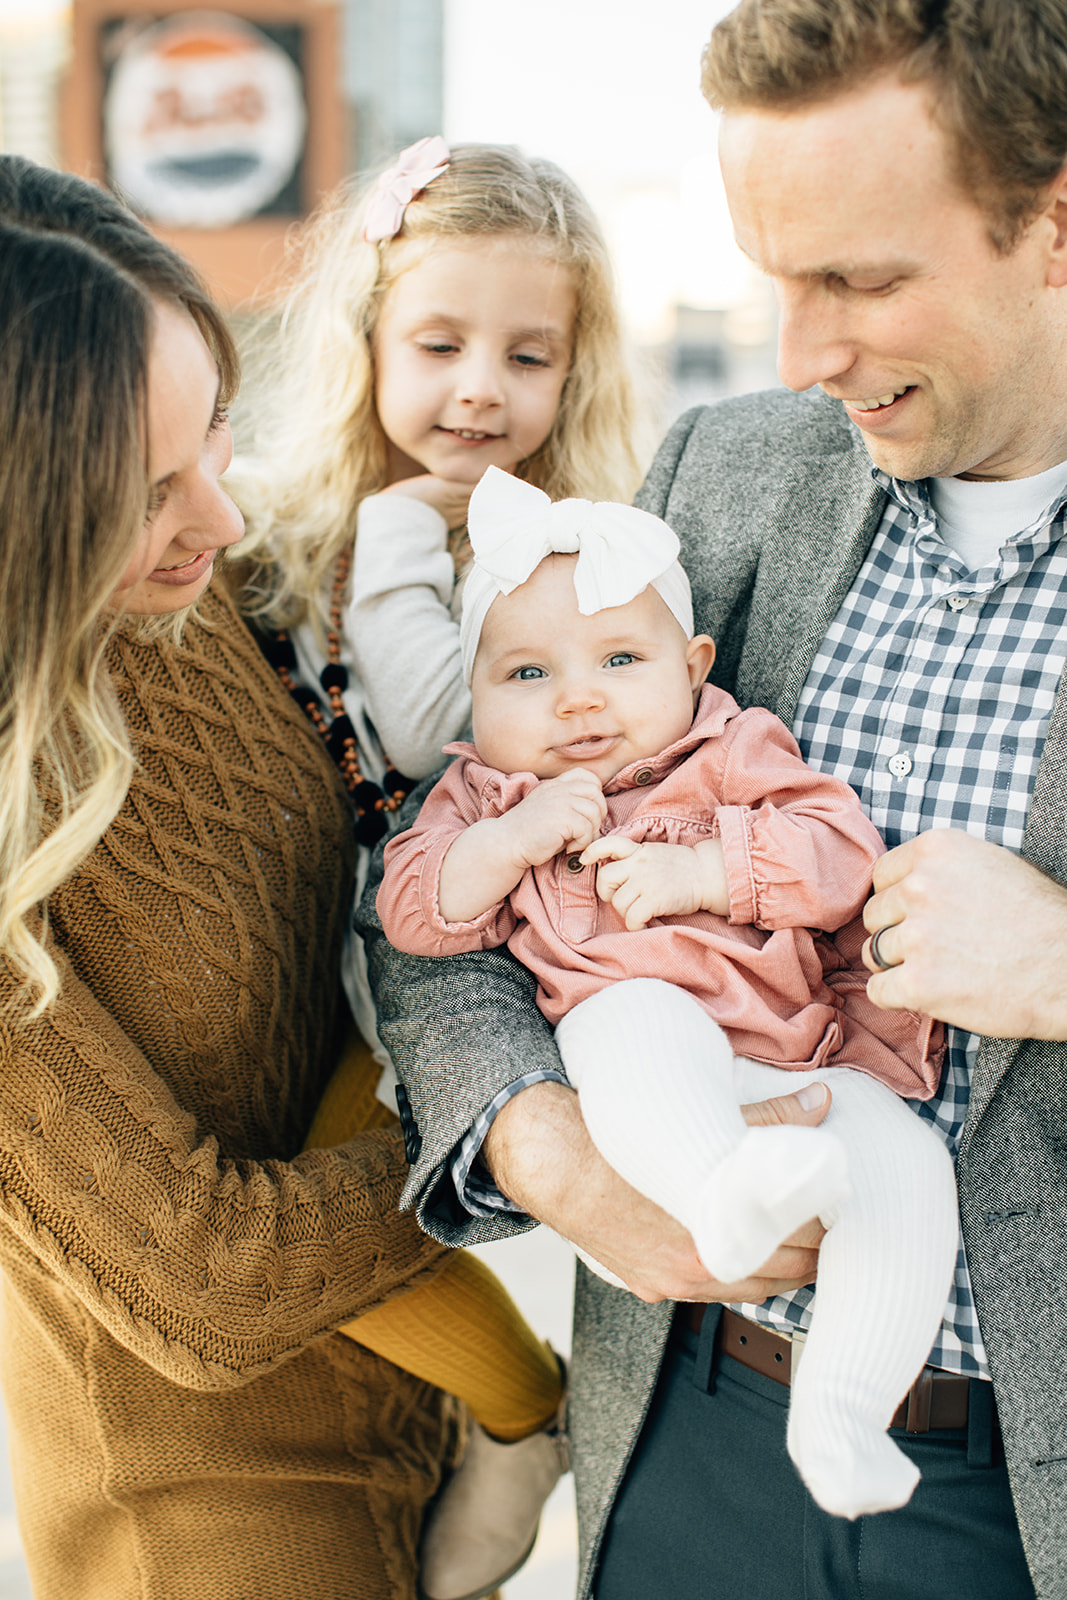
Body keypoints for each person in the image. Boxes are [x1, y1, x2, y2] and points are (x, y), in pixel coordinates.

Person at [357, 2, 1067, 1596]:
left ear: (1050, 225)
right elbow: (449, 887)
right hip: (686, 1427)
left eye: (862, 280)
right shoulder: (720, 476)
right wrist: (543, 1148)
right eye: (775, 280)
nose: (803, 355)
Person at [0, 153, 466, 1600]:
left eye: (215, 434)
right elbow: (211, 1284)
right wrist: (510, 1128)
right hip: (212, 1537)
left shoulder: (201, 594)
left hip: (415, 1447)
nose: (217, 513)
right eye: (146, 492)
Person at [377, 464, 957, 1519]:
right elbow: (414, 913)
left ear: (692, 667)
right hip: (635, 1042)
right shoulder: (484, 794)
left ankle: (840, 1411)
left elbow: (841, 854)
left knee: (906, 1168)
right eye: (524, 676)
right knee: (632, 1023)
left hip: (803, 1053)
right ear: (472, 699)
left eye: (616, 658)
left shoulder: (734, 747)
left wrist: (710, 871)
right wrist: (505, 841)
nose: (576, 698)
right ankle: (719, 1198)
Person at [231, 137, 642, 1600]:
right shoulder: (276, 542)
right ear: (364, 344)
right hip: (327, 956)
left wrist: (406, 532)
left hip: (466, 965)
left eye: (528, 357)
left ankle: (524, 1414)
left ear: (573, 374)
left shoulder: (555, 557)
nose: (482, 388)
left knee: (315, 1208)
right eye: (440, 342)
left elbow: (420, 727)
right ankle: (520, 1412)